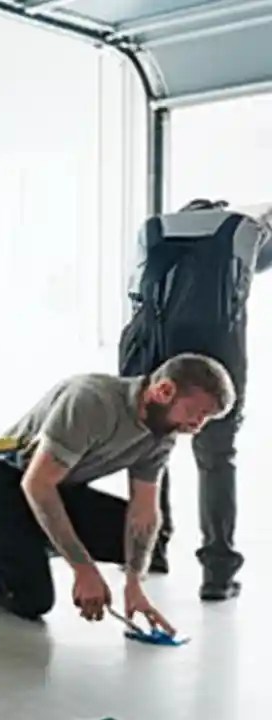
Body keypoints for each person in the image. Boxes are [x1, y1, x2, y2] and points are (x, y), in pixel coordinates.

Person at [0, 353, 235, 629]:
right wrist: (83, 569)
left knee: (147, 538)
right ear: (165, 391)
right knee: (30, 599)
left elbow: (144, 512)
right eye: (197, 414)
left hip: (57, 488)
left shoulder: (161, 433)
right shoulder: (92, 401)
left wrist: (134, 584)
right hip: (1, 484)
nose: (198, 425)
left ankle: (26, 545)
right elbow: (36, 483)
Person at [118, 199, 272, 601]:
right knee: (217, 459)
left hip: (155, 359)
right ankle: (217, 573)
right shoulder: (237, 233)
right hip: (218, 361)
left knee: (149, 450)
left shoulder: (155, 231)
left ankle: (153, 551)